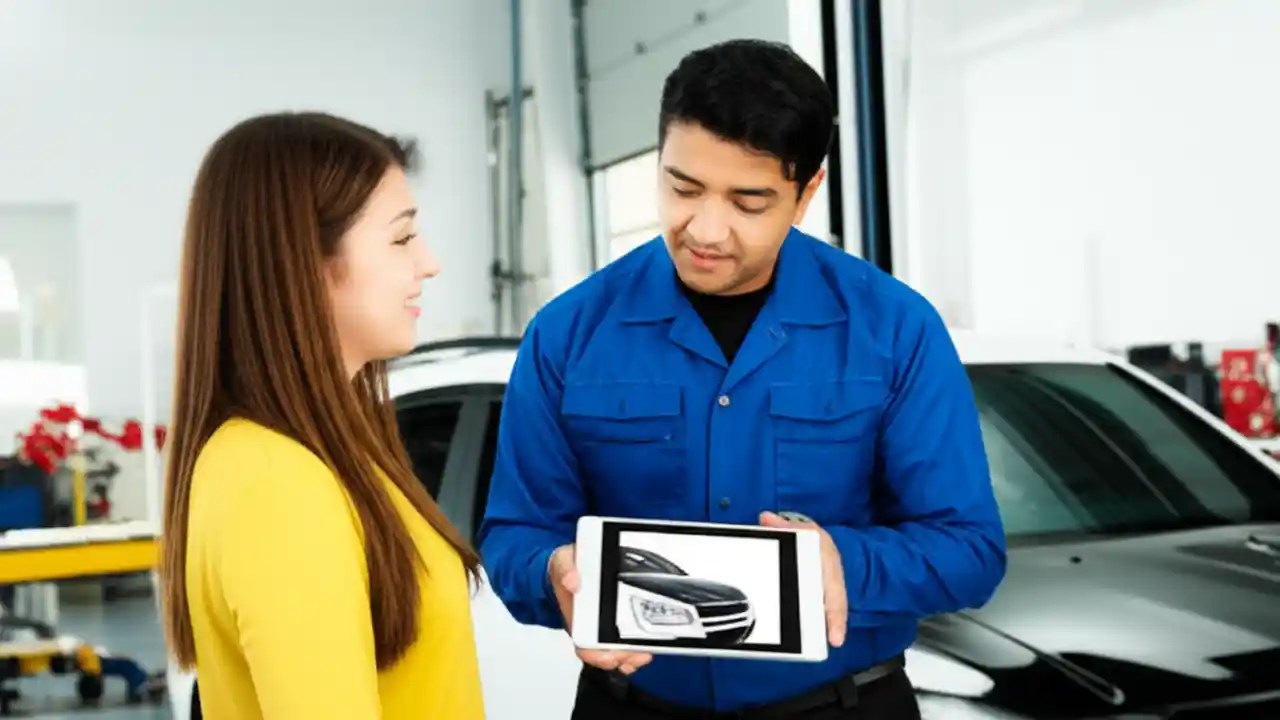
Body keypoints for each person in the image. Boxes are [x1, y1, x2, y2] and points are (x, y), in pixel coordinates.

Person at [479, 39, 1007, 719]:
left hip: (842, 707)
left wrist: (844, 563)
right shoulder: (567, 334)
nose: (705, 228)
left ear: (805, 192)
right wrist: (552, 574)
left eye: (748, 201)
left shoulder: (894, 330)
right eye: (682, 187)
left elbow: (969, 550)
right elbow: (515, 534)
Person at [158, 112, 485, 719]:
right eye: (401, 238)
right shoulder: (274, 481)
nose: (429, 263)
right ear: (305, 261)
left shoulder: (327, 453)